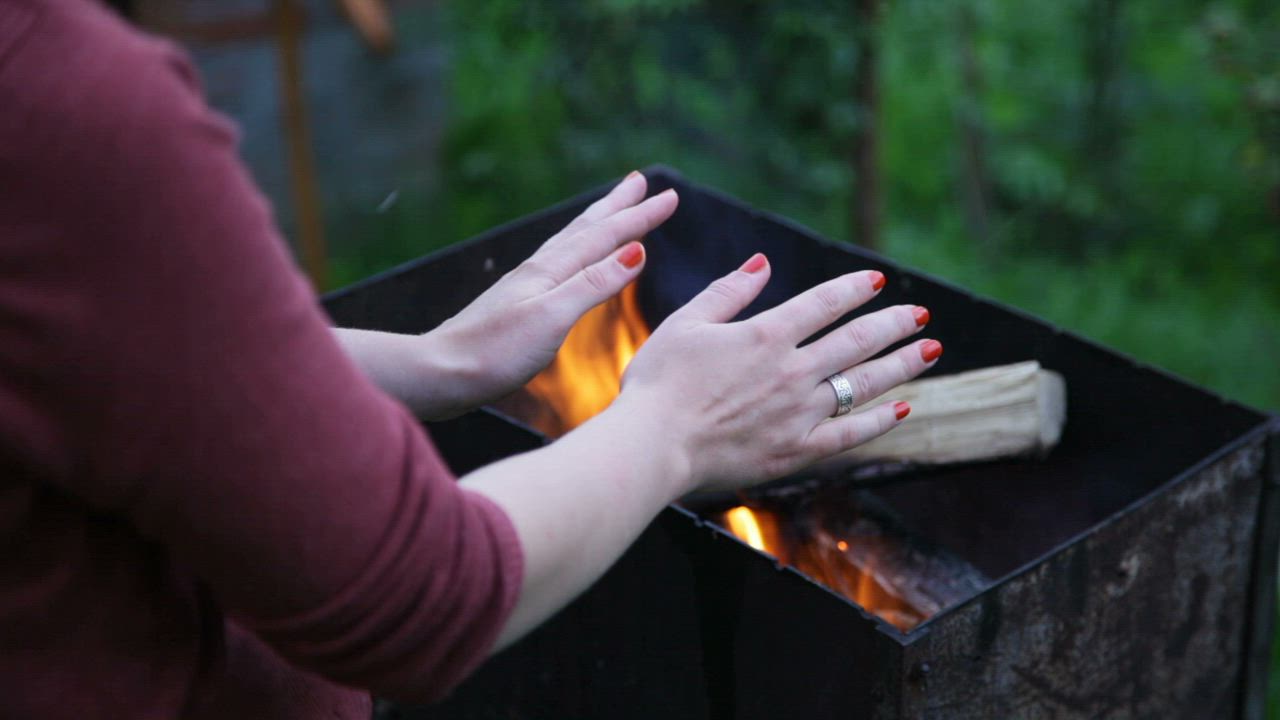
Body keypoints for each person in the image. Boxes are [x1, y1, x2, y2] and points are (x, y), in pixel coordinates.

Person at [0, 0, 941, 717]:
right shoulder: (67, 109)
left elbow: (111, 362)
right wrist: (672, 431)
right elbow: (414, 593)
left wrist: (437, 361)